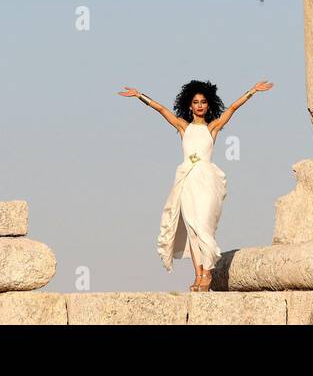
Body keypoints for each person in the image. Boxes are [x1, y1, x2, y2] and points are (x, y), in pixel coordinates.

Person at [117, 79, 273, 291]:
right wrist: (139, 95)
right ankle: (199, 275)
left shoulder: (212, 128)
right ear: (189, 105)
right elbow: (162, 110)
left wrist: (253, 91)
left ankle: (208, 272)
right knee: (192, 228)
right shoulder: (184, 127)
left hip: (207, 180)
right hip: (188, 181)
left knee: (204, 227)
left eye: (203, 102)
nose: (200, 105)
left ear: (208, 105)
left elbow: (234, 108)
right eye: (196, 102)